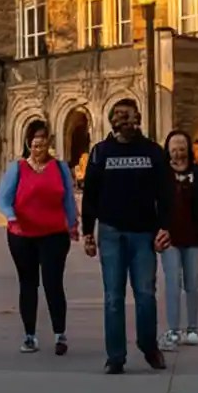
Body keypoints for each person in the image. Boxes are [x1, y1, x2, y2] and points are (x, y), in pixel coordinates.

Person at [81, 98, 173, 374]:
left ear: (139, 119)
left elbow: (166, 194)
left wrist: (164, 227)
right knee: (113, 297)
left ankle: (148, 346)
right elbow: (90, 197)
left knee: (145, 294)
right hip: (111, 233)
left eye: (130, 116)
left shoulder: (153, 152)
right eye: (120, 116)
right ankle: (116, 356)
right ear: (112, 121)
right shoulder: (100, 152)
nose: (126, 121)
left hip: (143, 233)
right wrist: (88, 231)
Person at [0, 120, 79, 356]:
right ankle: (30, 335)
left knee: (53, 283)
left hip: (54, 234)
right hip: (22, 235)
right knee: (28, 283)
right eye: (35, 139)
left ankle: (60, 334)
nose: (39, 144)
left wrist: (73, 224)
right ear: (28, 142)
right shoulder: (17, 168)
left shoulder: (60, 168)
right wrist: (12, 217)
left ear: (49, 142)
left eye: (43, 138)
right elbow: (3, 199)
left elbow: (68, 199)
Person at [158, 130, 198, 351]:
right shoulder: (162, 174)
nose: (178, 151)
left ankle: (192, 328)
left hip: (194, 238)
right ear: (168, 150)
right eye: (174, 147)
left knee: (192, 284)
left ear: (188, 149)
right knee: (173, 283)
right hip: (169, 237)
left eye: (182, 147)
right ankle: (173, 330)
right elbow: (154, 203)